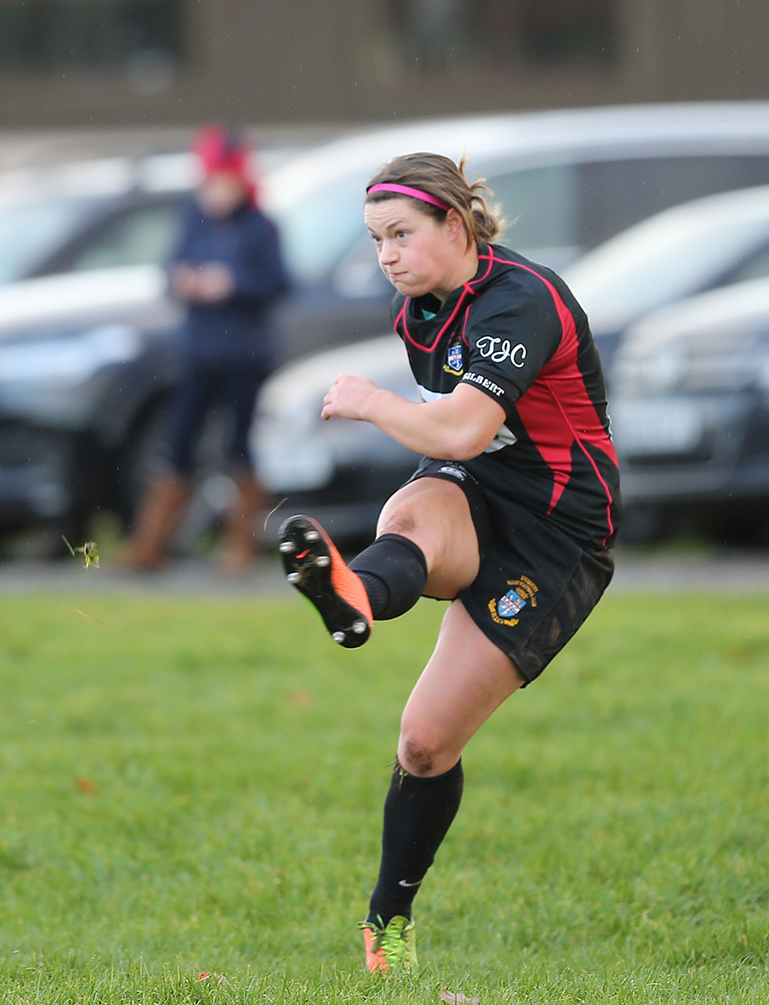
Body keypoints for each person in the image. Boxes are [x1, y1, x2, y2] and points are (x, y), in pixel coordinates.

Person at [277, 152, 620, 973]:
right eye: (375, 240)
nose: (386, 255)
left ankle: (391, 915)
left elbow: (463, 426)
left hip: (558, 531)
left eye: (401, 234)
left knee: (427, 743)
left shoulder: (520, 299)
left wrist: (372, 402)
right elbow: (461, 454)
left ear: (456, 227)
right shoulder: (420, 313)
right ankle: (354, 591)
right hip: (477, 490)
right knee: (417, 511)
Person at [128, 125, 289, 571]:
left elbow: (278, 283)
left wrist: (231, 285)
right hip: (198, 354)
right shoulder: (193, 220)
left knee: (240, 447)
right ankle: (150, 545)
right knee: (178, 442)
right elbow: (170, 271)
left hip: (244, 354)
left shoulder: (261, 228)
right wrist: (186, 281)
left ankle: (241, 545)